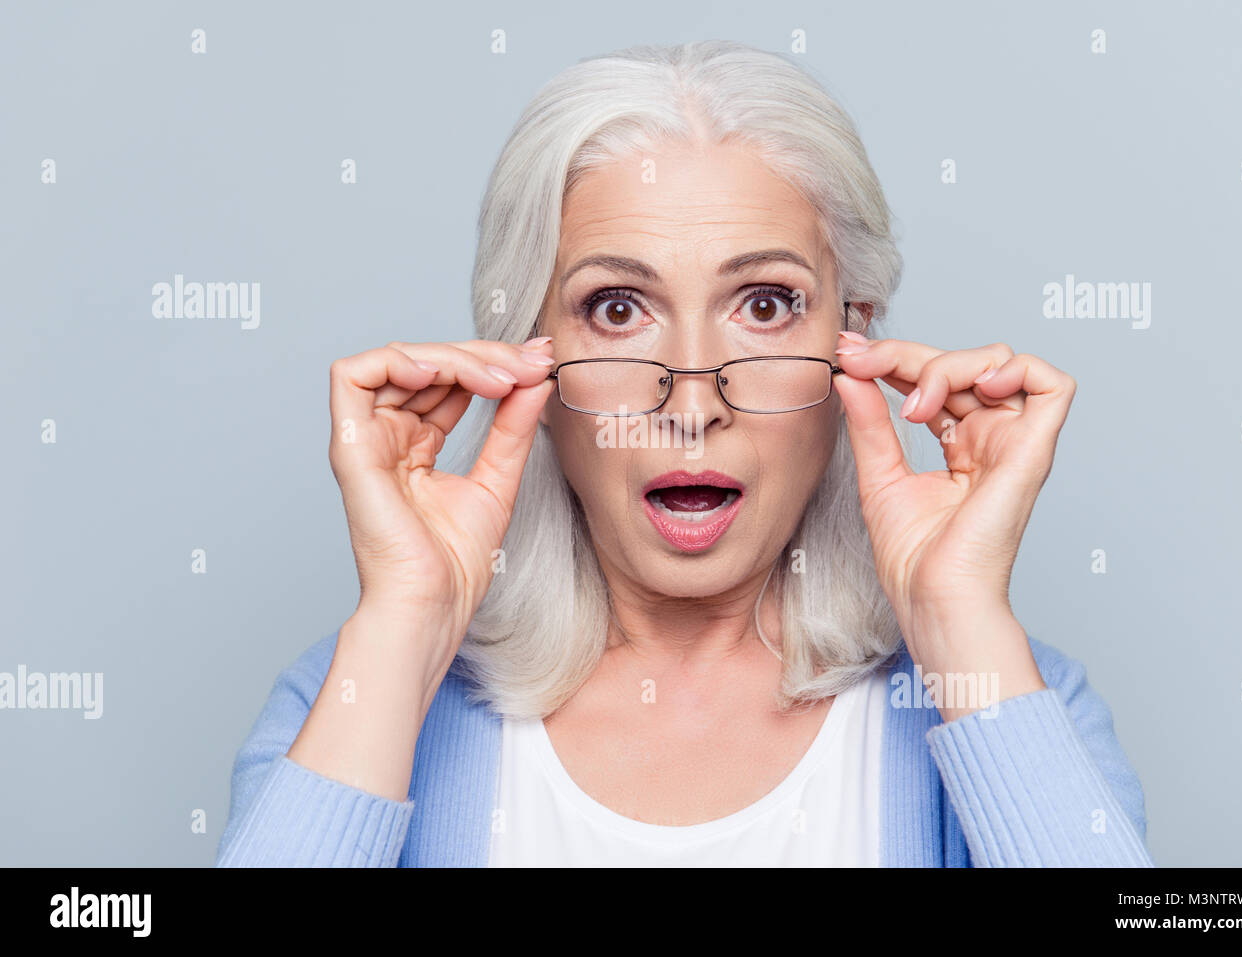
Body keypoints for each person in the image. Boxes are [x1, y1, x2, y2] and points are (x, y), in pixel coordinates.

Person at [216, 39, 1153, 867]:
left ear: (853, 347)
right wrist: (402, 628)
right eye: (617, 310)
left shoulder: (1018, 699)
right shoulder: (351, 697)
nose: (695, 400)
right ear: (523, 364)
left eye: (766, 304)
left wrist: (960, 623)